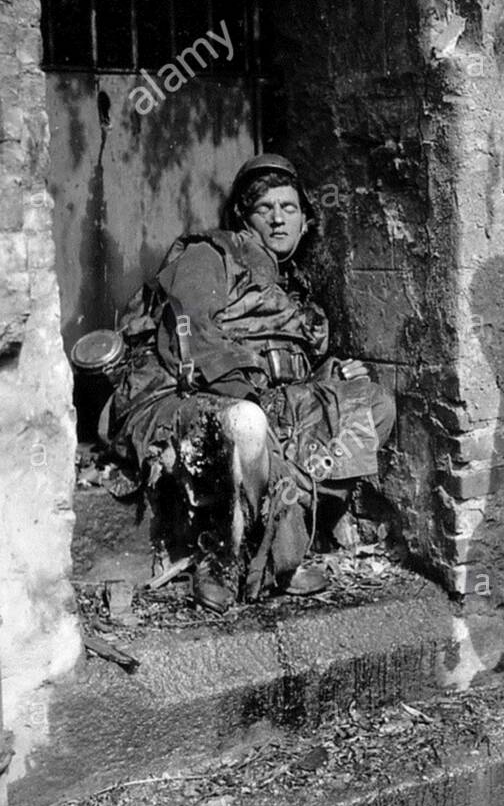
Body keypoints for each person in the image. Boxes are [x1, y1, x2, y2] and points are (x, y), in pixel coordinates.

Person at [104, 153, 395, 613]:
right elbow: (190, 329)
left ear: (304, 220)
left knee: (371, 404)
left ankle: (285, 519)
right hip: (197, 395)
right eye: (266, 209)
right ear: (245, 215)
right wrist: (246, 390)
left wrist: (328, 377)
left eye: (290, 208)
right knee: (248, 422)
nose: (279, 219)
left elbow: (290, 370)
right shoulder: (211, 253)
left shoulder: (293, 290)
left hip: (269, 400)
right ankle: (225, 555)